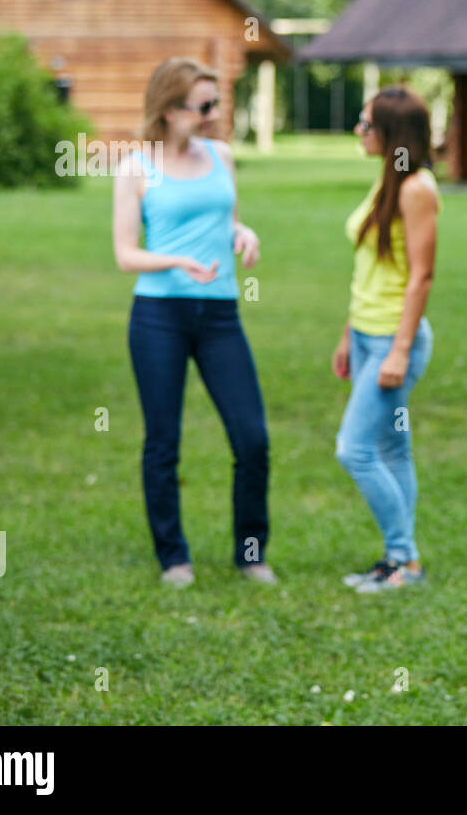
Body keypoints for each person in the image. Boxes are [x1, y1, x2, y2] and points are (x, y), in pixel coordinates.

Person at [112, 57, 274, 587]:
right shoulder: (138, 167)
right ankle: (173, 557)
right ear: (169, 108)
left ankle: (251, 553)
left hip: (221, 315)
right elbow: (125, 254)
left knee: (252, 439)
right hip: (159, 315)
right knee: (164, 441)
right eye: (203, 106)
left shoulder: (220, 156)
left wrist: (242, 233)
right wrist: (177, 261)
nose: (212, 114)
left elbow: (223, 220)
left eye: (215, 103)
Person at [333, 86, 441, 593]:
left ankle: (404, 559)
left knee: (354, 450)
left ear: (392, 133)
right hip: (364, 333)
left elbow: (420, 276)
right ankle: (402, 561)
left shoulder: (417, 189)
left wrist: (397, 350)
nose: (360, 130)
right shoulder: (387, 179)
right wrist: (345, 336)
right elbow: (371, 269)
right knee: (393, 449)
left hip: (393, 342)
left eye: (367, 123)